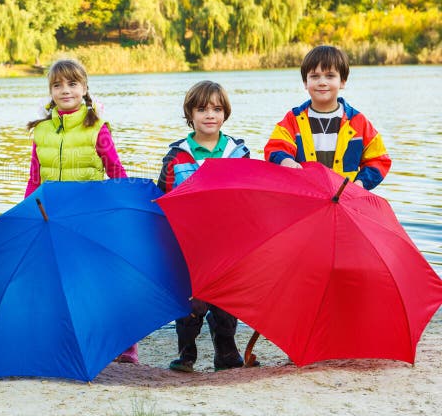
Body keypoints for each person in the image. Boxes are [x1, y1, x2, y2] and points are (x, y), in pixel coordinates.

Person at [25, 58, 137, 363]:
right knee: (61, 281)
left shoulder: (96, 128)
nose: (65, 90)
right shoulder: (42, 131)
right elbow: (34, 179)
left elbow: (116, 170)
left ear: (84, 88)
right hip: (52, 218)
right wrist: (27, 212)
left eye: (72, 84)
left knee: (99, 279)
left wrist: (128, 202)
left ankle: (125, 345)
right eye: (57, 85)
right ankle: (70, 341)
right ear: (50, 91)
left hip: (89, 217)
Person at [156, 80, 252, 372]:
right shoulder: (177, 156)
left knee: (227, 301)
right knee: (191, 302)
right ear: (190, 114)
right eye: (202, 109)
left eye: (217, 109)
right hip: (190, 243)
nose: (210, 115)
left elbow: (248, 196)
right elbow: (163, 198)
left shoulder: (237, 152)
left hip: (228, 241)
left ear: (225, 113)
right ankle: (186, 355)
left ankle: (226, 353)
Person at [264, 45, 391, 189]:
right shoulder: (293, 119)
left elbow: (379, 159)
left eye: (330, 76)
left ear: (342, 81)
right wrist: (286, 161)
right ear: (305, 82)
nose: (322, 82)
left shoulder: (358, 121)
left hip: (345, 196)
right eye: (314, 76)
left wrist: (360, 184)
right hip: (306, 193)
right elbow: (275, 147)